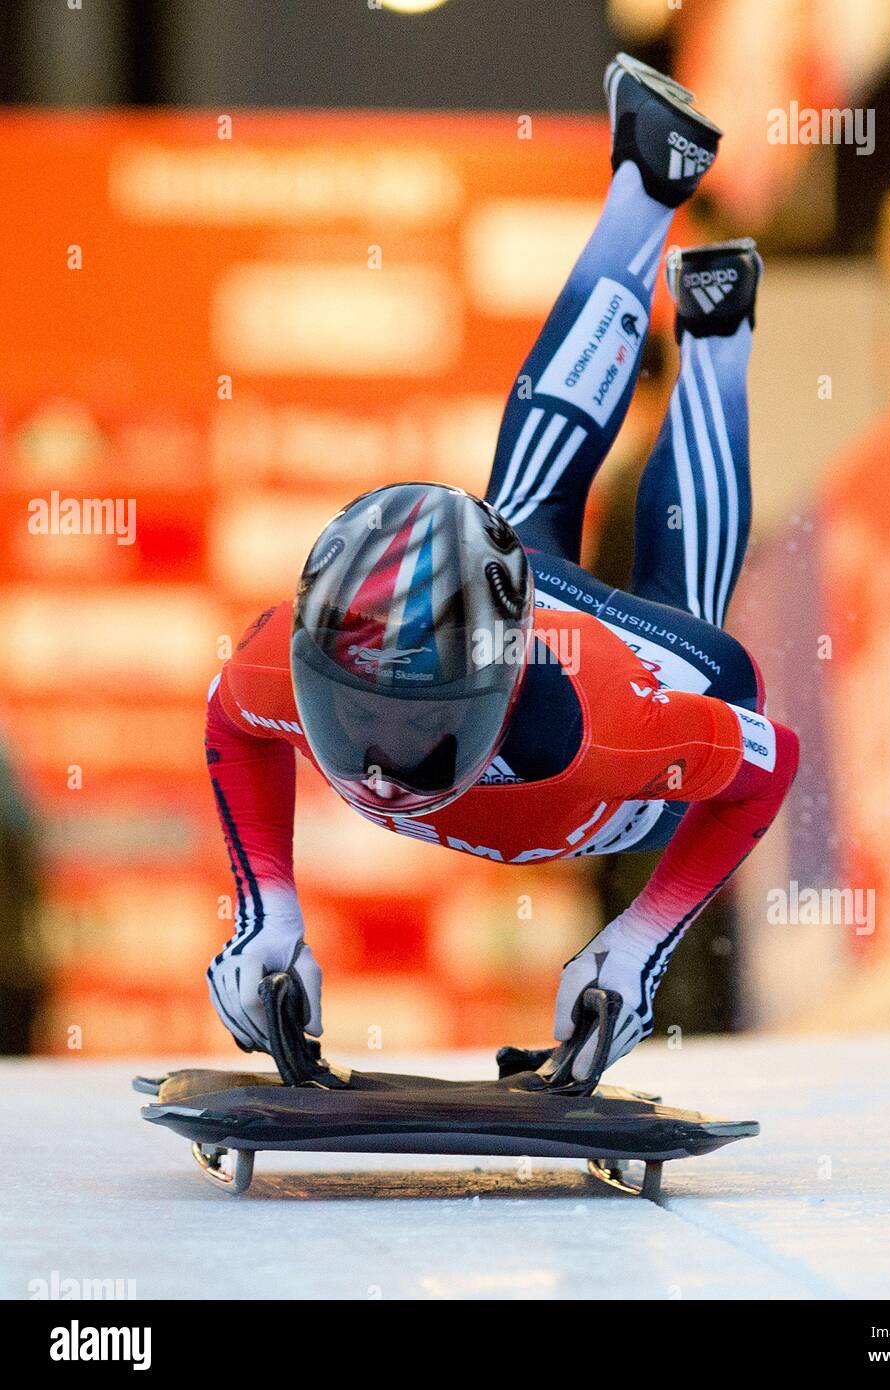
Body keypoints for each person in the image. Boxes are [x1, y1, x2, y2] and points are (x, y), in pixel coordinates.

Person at [205, 54, 799, 1080]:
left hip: (633, 696)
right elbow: (231, 716)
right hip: (534, 615)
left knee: (706, 643)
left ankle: (713, 335)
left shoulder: (615, 730)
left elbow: (766, 754)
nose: (385, 766)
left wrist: (641, 940)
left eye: (418, 724)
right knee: (516, 515)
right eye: (357, 714)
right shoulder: (278, 668)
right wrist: (269, 909)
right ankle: (653, 188)